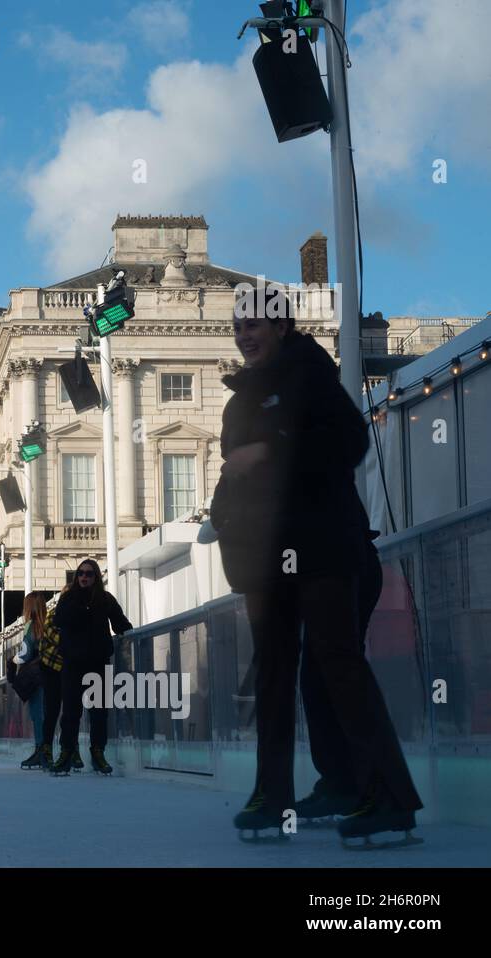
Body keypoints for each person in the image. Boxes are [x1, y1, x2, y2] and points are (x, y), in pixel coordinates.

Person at [211, 285, 421, 845]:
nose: (245, 334)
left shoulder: (311, 378)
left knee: (337, 663)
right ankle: (270, 793)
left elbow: (350, 443)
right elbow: (232, 475)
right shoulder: (239, 401)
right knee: (276, 674)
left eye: (254, 324)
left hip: (325, 546)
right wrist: (224, 516)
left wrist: (273, 451)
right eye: (238, 326)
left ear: (282, 328)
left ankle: (388, 796)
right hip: (266, 560)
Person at [295, 528, 385, 822]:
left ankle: (367, 788)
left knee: (328, 681)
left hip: (337, 568)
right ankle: (347, 783)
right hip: (340, 565)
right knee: (325, 680)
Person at [49, 559, 132, 777]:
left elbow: (120, 623)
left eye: (89, 574)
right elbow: (59, 621)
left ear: (96, 577)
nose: (84, 577)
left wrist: (129, 635)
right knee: (71, 712)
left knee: (98, 712)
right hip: (73, 663)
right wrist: (79, 607)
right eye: (81, 574)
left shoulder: (104, 599)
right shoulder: (68, 598)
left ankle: (98, 753)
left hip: (97, 661)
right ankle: (67, 752)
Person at [12, 591, 51, 769]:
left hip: (35, 677)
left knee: (37, 715)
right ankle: (47, 751)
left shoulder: (31, 626)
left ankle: (40, 752)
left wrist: (13, 660)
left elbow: (25, 654)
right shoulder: (48, 625)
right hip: (50, 674)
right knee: (47, 714)